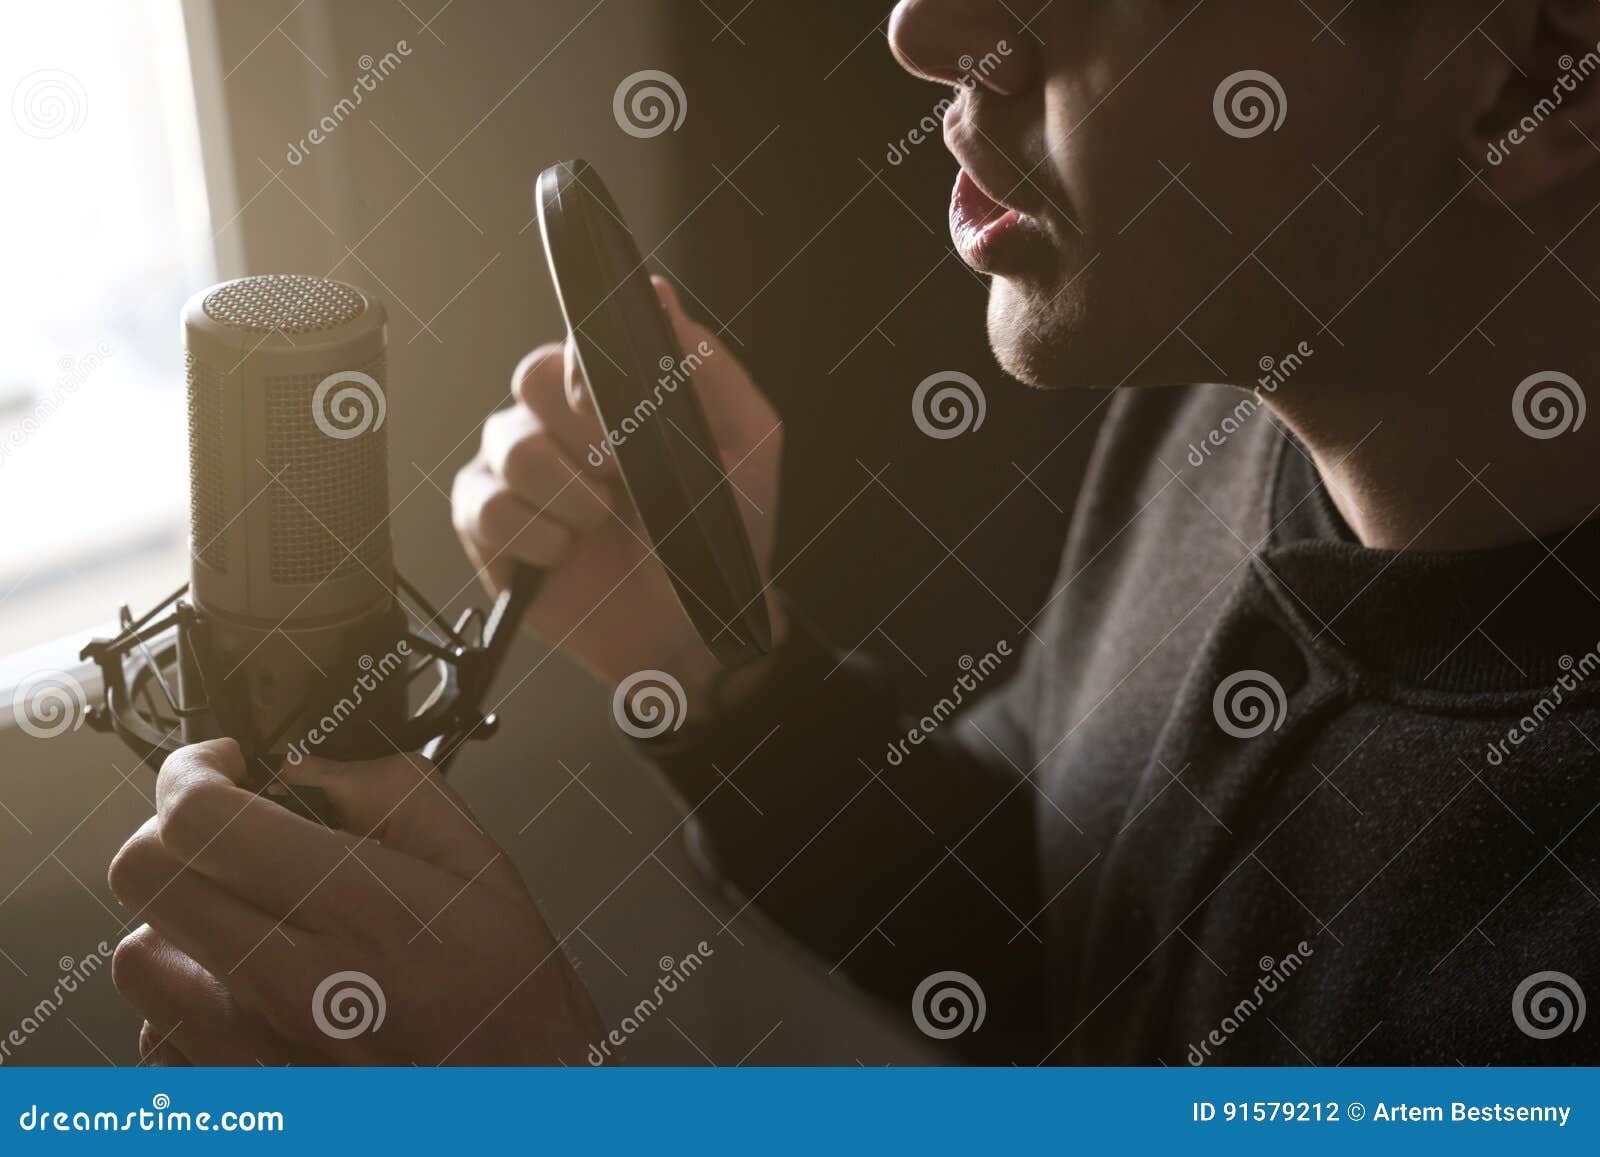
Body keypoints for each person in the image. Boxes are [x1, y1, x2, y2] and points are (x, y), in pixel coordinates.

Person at [109, 0, 1600, 1065]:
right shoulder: (1230, 403)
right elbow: (1065, 929)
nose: (925, 27)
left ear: (1533, 71)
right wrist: (727, 679)